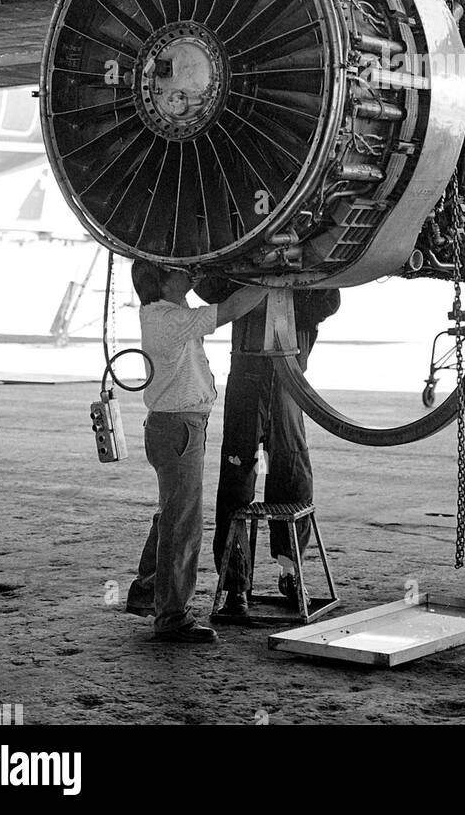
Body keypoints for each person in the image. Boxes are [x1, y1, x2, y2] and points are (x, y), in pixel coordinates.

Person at [125, 261, 267, 644]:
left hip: (174, 427)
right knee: (183, 522)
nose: (187, 273)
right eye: (178, 270)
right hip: (179, 429)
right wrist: (271, 280)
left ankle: (147, 590)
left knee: (171, 513)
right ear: (162, 281)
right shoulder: (169, 319)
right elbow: (233, 309)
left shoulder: (162, 314)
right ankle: (172, 617)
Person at [193, 278, 340, 619]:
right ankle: (234, 586)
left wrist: (283, 286)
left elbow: (329, 301)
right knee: (236, 484)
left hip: (289, 382)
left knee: (292, 478)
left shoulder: (308, 273)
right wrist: (254, 284)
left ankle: (290, 574)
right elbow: (208, 288)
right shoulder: (243, 272)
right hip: (248, 381)